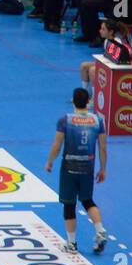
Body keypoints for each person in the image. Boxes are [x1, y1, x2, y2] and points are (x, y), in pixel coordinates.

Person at [45, 88, 108, 255]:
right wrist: (102, 169)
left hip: (69, 168)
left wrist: (50, 162)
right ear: (88, 102)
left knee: (69, 205)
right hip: (88, 168)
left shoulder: (65, 120)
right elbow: (103, 148)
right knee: (88, 201)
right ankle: (100, 230)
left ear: (73, 101)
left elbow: (57, 145)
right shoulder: (98, 121)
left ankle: (71, 244)